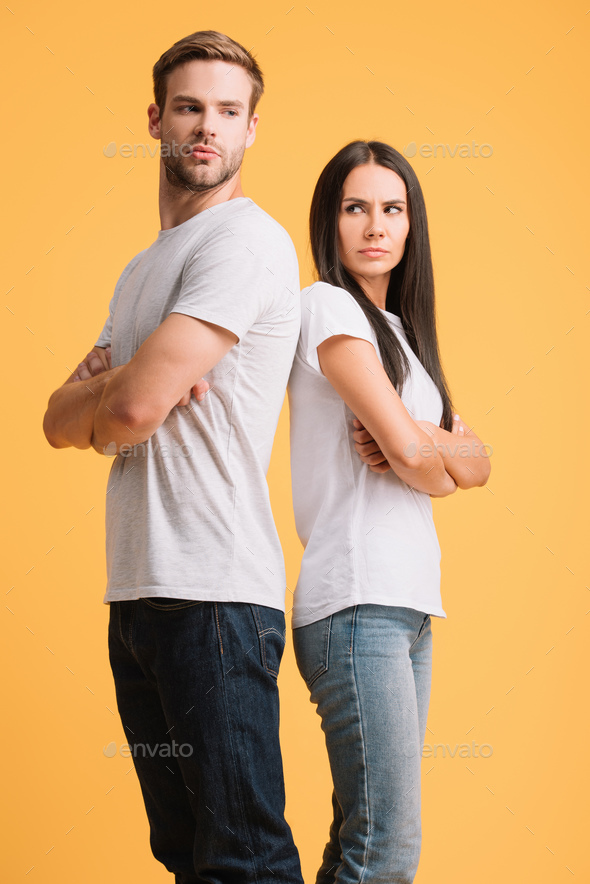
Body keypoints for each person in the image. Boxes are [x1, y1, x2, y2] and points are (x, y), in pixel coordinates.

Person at [42, 30, 304, 884]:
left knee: (244, 858)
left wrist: (115, 397)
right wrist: (119, 393)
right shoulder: (141, 269)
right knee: (184, 856)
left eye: (229, 112)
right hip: (139, 591)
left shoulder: (245, 243)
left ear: (251, 130)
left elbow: (131, 406)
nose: (207, 128)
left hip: (216, 596)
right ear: (156, 118)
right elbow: (57, 419)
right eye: (190, 107)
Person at [287, 140, 491, 883]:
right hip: (354, 601)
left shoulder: (406, 336)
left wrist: (425, 447)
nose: (376, 225)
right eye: (356, 207)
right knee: (388, 847)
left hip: (406, 607)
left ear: (411, 226)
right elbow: (424, 464)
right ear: (330, 221)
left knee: (358, 839)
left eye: (392, 208)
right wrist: (433, 457)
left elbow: (473, 468)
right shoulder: (326, 306)